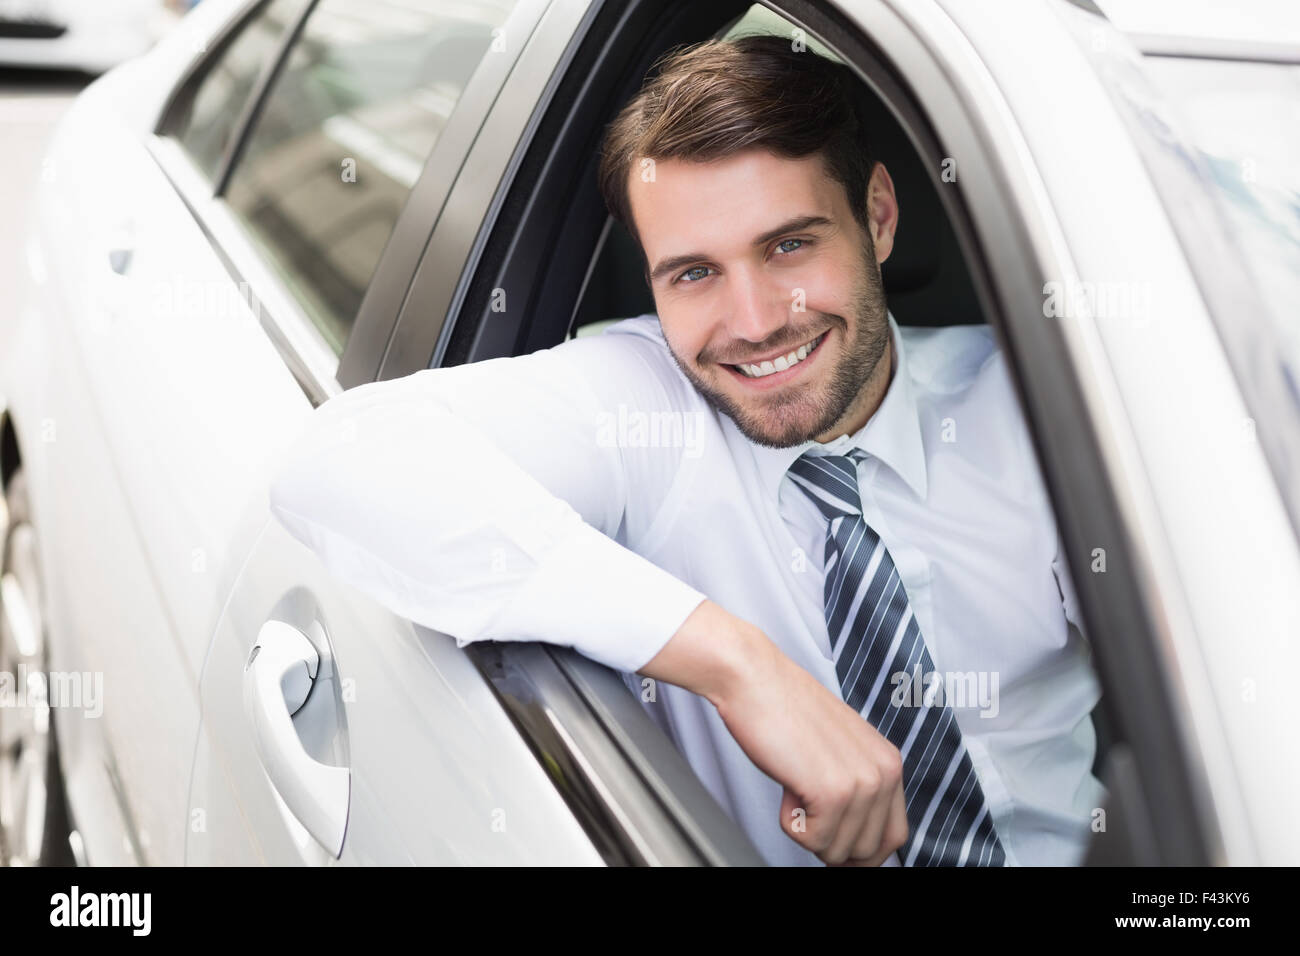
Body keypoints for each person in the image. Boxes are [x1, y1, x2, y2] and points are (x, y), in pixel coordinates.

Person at [268, 34, 1106, 867]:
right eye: (694, 274)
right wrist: (736, 662)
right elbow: (337, 457)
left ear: (877, 218)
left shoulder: (1042, 412)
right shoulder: (644, 405)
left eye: (789, 245)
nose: (754, 322)